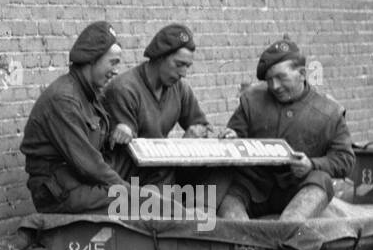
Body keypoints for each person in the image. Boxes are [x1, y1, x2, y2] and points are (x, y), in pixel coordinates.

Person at [218, 38, 355, 219]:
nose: (274, 86)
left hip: (298, 188)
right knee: (229, 208)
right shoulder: (251, 101)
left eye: (281, 78)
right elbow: (234, 137)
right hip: (252, 189)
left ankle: (287, 229)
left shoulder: (330, 112)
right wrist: (231, 137)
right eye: (269, 80)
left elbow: (345, 159)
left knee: (320, 181)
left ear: (303, 74)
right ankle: (245, 239)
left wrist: (312, 164)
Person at [20, 22, 125, 213]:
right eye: (113, 62)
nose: (116, 70)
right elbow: (89, 165)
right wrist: (128, 191)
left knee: (148, 180)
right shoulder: (64, 99)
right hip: (60, 192)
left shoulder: (87, 93)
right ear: (92, 60)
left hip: (76, 181)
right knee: (140, 202)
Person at [103, 23, 225, 184]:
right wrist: (182, 147)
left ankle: (202, 207)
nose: (183, 73)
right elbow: (134, 150)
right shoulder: (124, 89)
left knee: (222, 172)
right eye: (179, 64)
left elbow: (201, 125)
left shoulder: (179, 88)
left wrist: (198, 133)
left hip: (163, 171)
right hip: (130, 179)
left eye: (187, 66)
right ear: (160, 57)